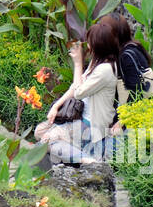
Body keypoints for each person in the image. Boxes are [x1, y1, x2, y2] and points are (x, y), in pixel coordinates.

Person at [34, 19, 121, 164]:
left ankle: (90, 161)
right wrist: (56, 107)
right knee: (39, 131)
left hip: (91, 125)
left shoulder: (106, 69)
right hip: (80, 119)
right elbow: (75, 87)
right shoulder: (96, 62)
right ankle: (79, 150)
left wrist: (78, 63)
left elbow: (79, 92)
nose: (88, 45)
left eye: (90, 42)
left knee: (46, 142)